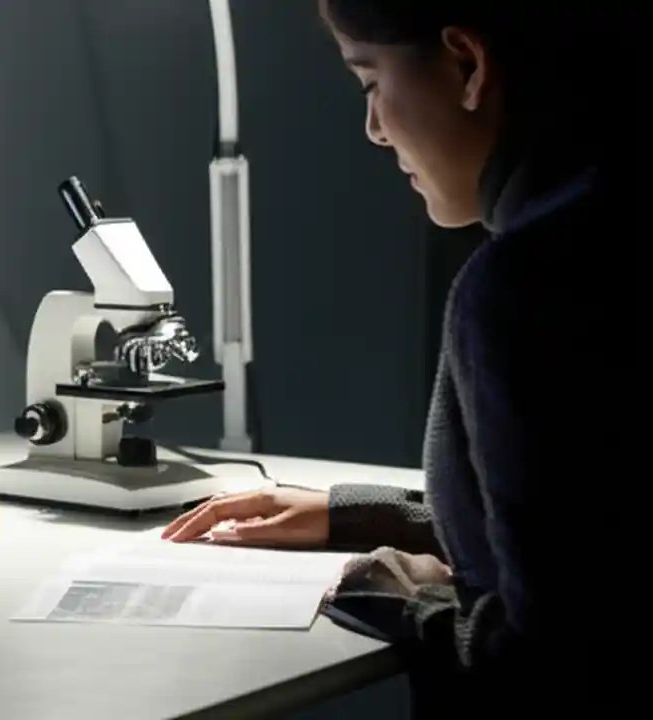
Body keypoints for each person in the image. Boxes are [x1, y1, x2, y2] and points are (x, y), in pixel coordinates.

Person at [163, 0, 638, 712]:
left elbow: (556, 661)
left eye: (370, 83)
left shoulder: (527, 291)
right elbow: (591, 533)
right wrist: (351, 513)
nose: (375, 130)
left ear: (467, 65)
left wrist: (412, 601)